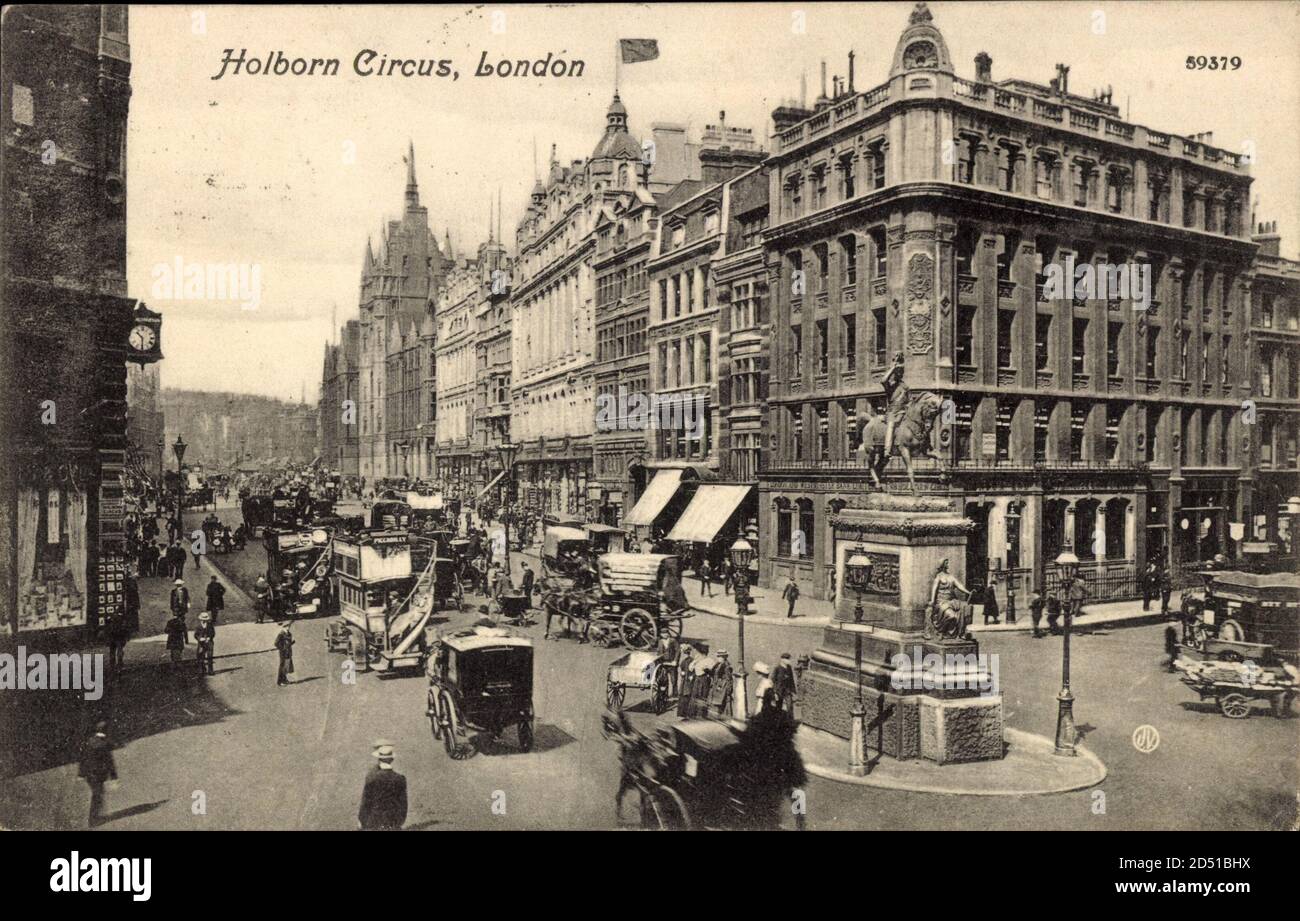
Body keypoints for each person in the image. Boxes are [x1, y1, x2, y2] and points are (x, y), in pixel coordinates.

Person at [358, 742, 408, 831]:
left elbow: (366, 802)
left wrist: (362, 821)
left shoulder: (372, 778)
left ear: (378, 759)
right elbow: (403, 805)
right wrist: (399, 822)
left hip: (373, 823)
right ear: (392, 759)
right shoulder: (400, 779)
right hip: (393, 823)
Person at [79, 721, 118, 827]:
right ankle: (93, 820)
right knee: (97, 795)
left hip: (89, 774)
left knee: (98, 794)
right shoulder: (104, 743)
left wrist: (81, 774)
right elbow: (109, 761)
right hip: (98, 774)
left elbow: (83, 758)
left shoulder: (89, 741)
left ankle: (96, 817)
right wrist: (114, 777)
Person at [771, 653, 798, 718]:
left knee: (790, 706)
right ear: (782, 659)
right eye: (787, 659)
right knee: (778, 707)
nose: (788, 660)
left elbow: (791, 680)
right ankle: (778, 722)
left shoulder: (789, 668)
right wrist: (774, 692)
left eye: (788, 659)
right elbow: (773, 680)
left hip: (787, 690)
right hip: (779, 691)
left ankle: (790, 722)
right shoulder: (777, 668)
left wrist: (793, 691)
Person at [195, 611, 216, 676]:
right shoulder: (198, 626)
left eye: (205, 620)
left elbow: (213, 633)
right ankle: (201, 671)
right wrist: (199, 639)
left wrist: (209, 638)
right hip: (201, 644)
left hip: (209, 643)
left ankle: (210, 670)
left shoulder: (210, 625)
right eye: (203, 620)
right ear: (201, 619)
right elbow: (196, 635)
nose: (204, 621)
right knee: (201, 657)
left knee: (210, 657)